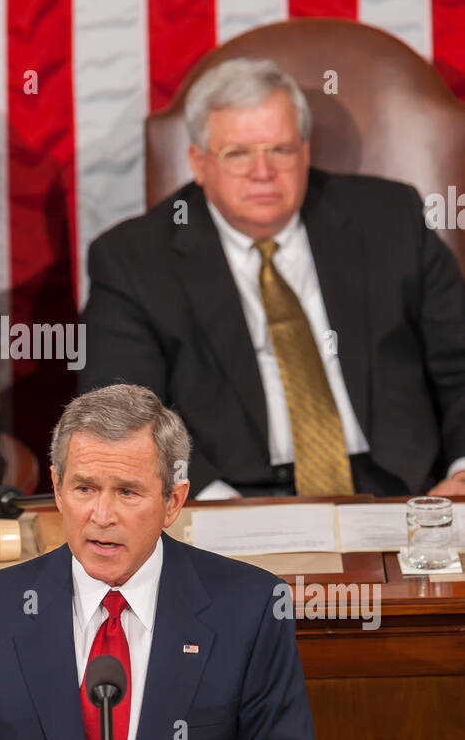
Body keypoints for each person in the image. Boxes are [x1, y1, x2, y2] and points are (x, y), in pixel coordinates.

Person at [0, 384, 317, 740]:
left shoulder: (250, 607)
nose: (102, 515)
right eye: (85, 488)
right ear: (58, 489)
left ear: (173, 502)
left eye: (127, 492)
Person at [80, 58, 465, 499]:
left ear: (304, 152)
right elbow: (124, 408)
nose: (262, 172)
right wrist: (216, 508)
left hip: (404, 492)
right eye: (238, 153)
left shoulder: (389, 218)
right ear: (199, 162)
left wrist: (462, 472)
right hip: (228, 495)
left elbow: (459, 361)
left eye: (279, 150)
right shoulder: (133, 259)